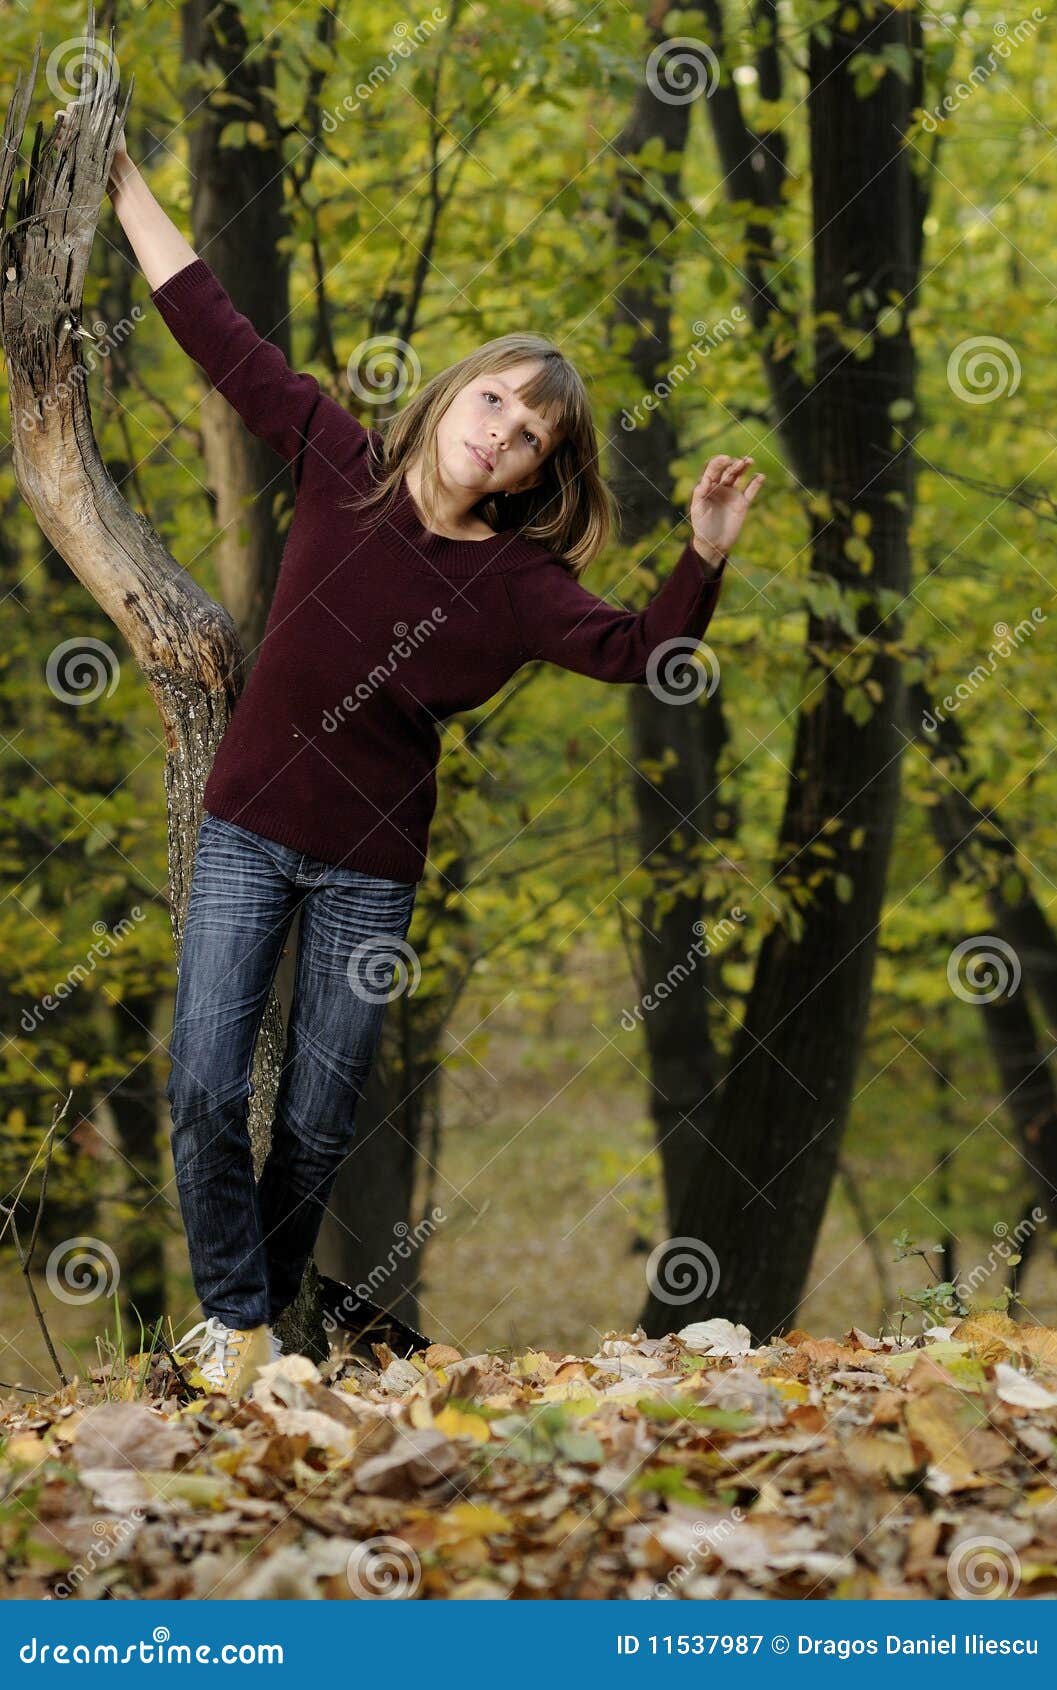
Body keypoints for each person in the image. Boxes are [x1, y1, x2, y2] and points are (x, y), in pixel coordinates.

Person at [97, 116, 764, 1399]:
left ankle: (253, 1342)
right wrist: (125, 184)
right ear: (458, 390)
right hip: (244, 831)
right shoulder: (331, 456)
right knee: (197, 1086)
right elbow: (208, 322)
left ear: (531, 475)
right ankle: (244, 1325)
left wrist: (707, 550)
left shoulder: (517, 583)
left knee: (315, 1129)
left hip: (368, 875)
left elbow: (642, 651)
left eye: (529, 437)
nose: (502, 431)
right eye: (497, 398)